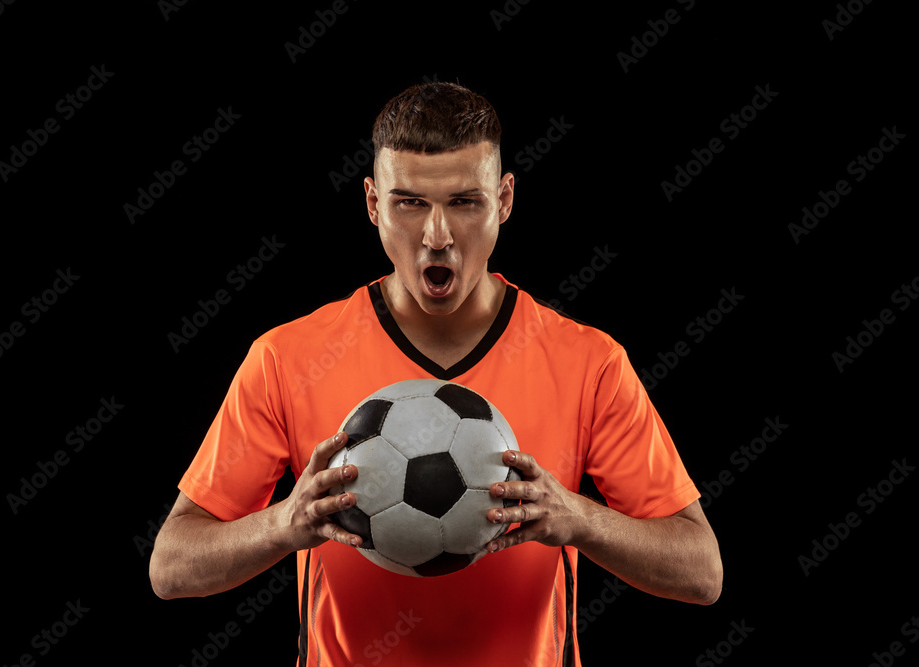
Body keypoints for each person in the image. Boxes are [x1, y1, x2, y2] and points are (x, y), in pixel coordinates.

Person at [149, 81, 723, 666]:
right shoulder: (286, 357)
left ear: (504, 200)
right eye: (410, 203)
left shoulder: (587, 362)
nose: (437, 236)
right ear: (373, 204)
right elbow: (171, 566)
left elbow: (701, 570)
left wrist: (581, 519)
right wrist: (280, 525)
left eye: (465, 202)